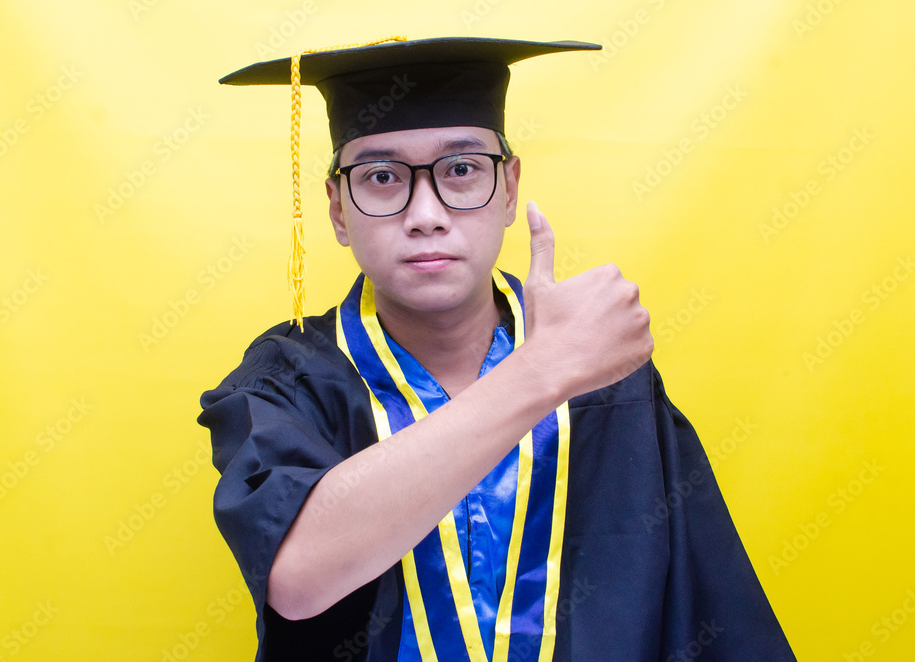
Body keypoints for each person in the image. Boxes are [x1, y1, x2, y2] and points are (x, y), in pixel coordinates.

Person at [198, 37, 796, 661]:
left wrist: (563, 367)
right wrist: (538, 375)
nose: (426, 214)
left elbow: (711, 607)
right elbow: (297, 579)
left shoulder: (606, 375)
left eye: (461, 170)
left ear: (509, 188)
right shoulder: (289, 380)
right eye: (380, 177)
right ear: (338, 209)